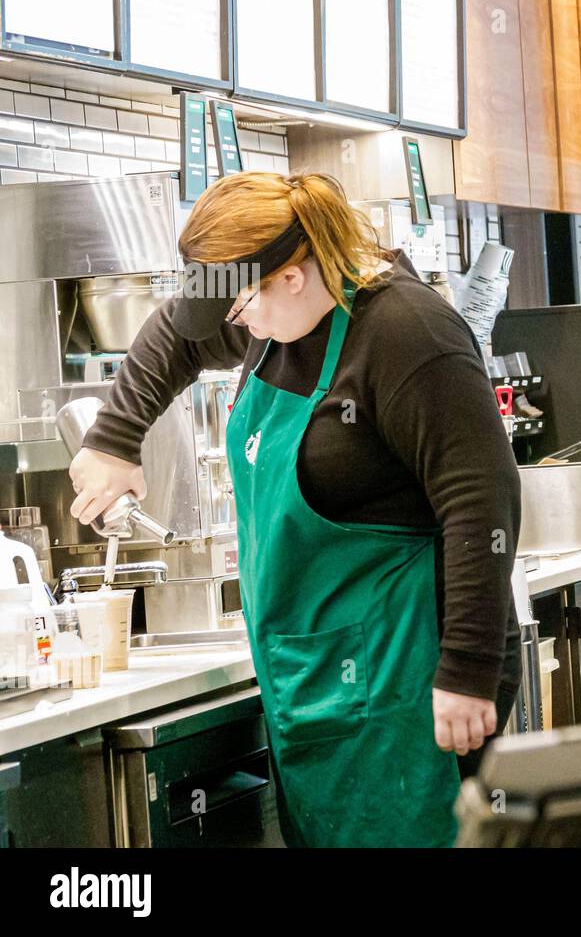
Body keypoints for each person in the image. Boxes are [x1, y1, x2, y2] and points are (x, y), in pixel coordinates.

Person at [68, 172, 521, 847]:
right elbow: (180, 334)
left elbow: (482, 503)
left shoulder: (408, 333)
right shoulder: (273, 323)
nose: (235, 322)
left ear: (291, 274)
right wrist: (114, 438)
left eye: (241, 301)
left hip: (413, 674)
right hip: (316, 677)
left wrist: (467, 670)